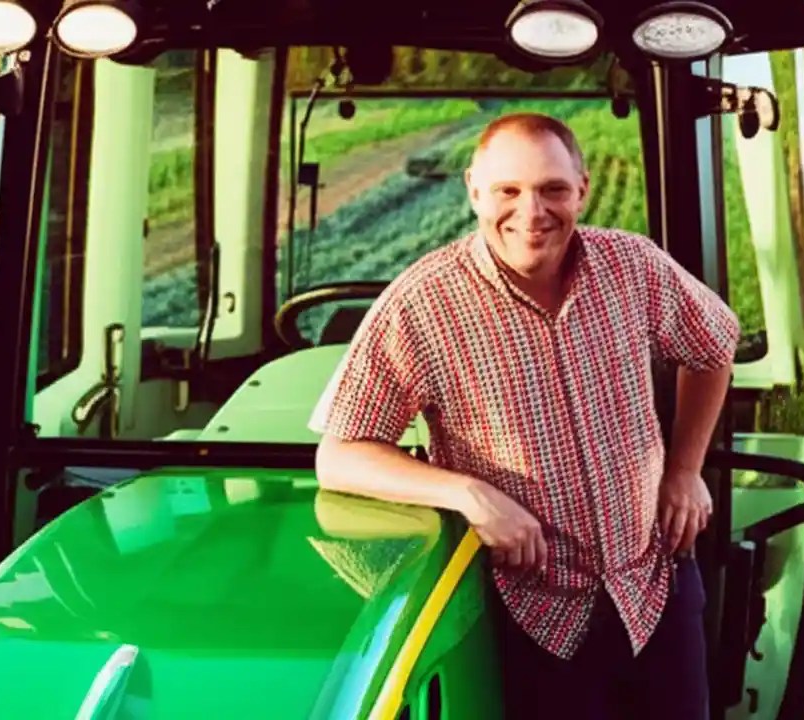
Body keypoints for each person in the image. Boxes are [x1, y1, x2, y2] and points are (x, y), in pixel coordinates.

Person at [309, 112, 740, 719]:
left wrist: (685, 470)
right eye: (508, 190)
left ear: (582, 189)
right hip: (528, 611)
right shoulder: (422, 304)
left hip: (653, 585)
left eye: (552, 189)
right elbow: (340, 455)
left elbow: (713, 347)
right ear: (474, 190)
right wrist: (467, 493)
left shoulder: (634, 266)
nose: (531, 212)